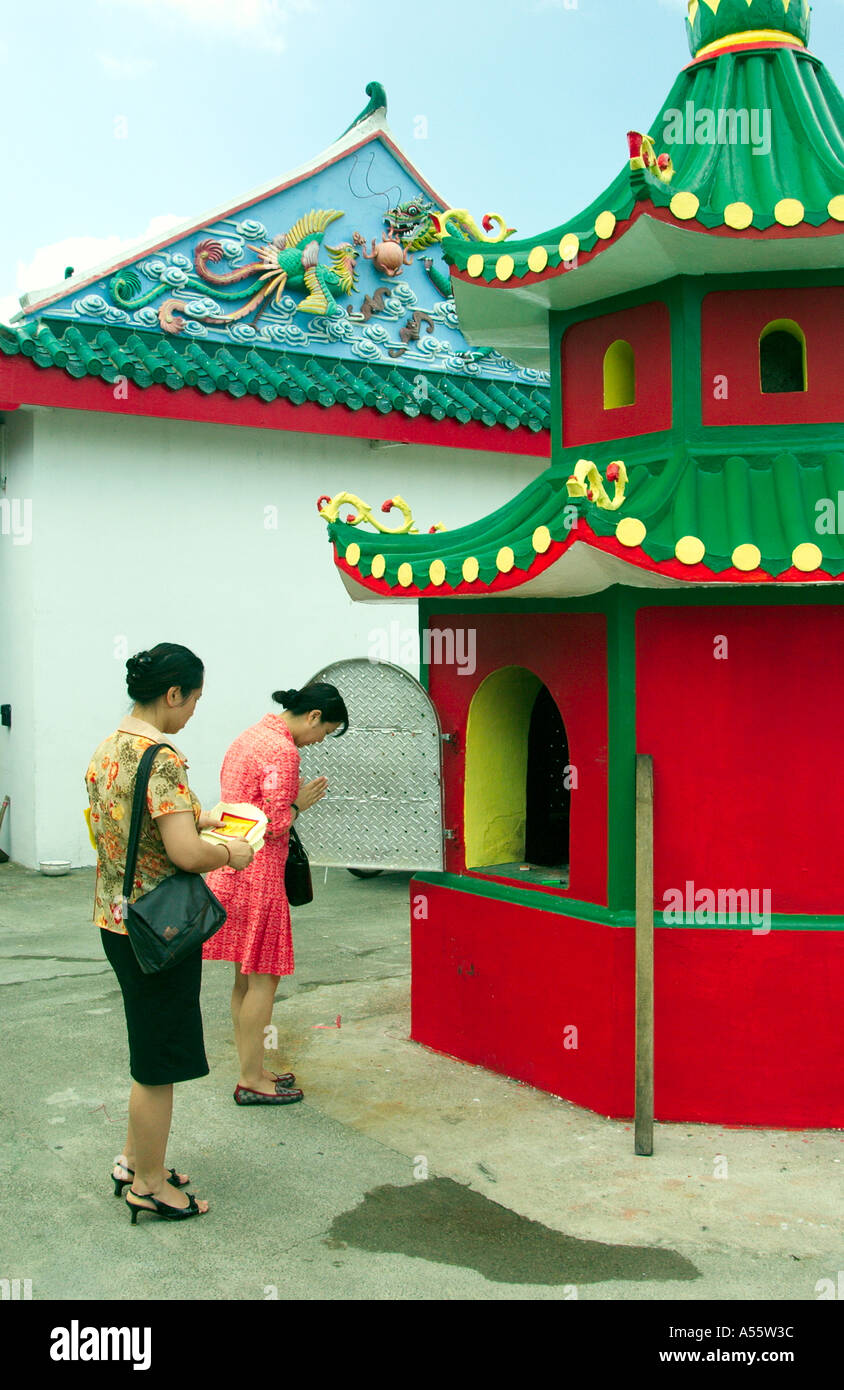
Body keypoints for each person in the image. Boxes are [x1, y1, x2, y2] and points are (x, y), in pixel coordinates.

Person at [87, 643, 254, 1222]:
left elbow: (139, 822)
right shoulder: (161, 758)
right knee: (158, 1063)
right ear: (173, 693)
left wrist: (201, 815)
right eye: (194, 701)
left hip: (117, 921)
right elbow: (184, 854)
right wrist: (230, 851)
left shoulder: (110, 747)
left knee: (148, 1047)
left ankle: (136, 1160)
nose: (192, 714)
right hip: (160, 929)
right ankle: (150, 1187)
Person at [203, 684, 349, 1104]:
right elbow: (275, 821)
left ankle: (253, 1067)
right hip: (260, 875)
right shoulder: (283, 751)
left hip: (230, 864)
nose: (320, 740)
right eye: (327, 730)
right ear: (314, 716)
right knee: (264, 980)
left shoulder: (249, 736)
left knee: (243, 980)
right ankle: (251, 1080)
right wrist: (300, 804)